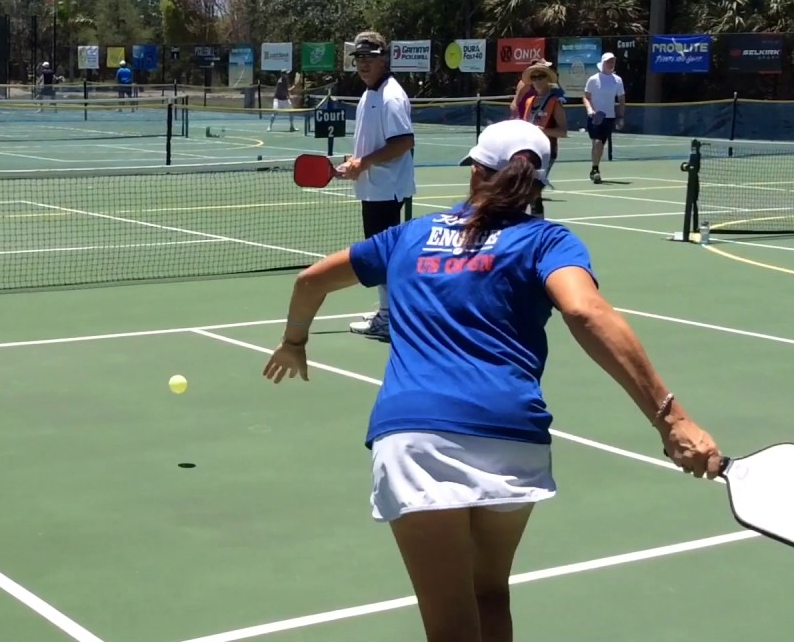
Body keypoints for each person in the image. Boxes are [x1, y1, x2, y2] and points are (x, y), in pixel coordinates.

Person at [262, 118, 723, 642]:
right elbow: (586, 311)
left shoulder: (408, 235)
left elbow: (310, 281)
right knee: (490, 595)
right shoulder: (549, 241)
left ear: (477, 171)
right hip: (512, 437)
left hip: (417, 440)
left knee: (451, 626)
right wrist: (672, 419)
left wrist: (295, 341)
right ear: (537, 182)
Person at [337, 31, 416, 341]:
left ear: (384, 58)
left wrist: (365, 163)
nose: (363, 64)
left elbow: (403, 142)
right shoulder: (370, 93)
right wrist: (355, 161)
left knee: (384, 254)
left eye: (370, 58)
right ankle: (389, 311)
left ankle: (389, 318)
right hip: (374, 188)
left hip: (387, 189)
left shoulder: (391, 96)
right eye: (359, 58)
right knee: (383, 253)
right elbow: (376, 143)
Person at [517, 61, 568, 218]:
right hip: (528, 151)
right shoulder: (529, 101)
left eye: (541, 76)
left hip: (546, 151)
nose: (538, 80)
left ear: (547, 79)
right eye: (535, 77)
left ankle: (537, 225)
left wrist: (544, 131)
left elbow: (563, 132)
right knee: (522, 189)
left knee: (533, 189)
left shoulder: (554, 102)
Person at [583, 52, 626, 184]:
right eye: (608, 61)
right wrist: (590, 110)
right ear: (603, 63)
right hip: (595, 116)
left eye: (613, 61)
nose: (611, 63)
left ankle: (594, 168)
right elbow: (586, 97)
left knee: (600, 144)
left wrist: (621, 116)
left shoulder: (617, 80)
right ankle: (595, 170)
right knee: (597, 142)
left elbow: (621, 99)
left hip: (609, 117)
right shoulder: (593, 79)